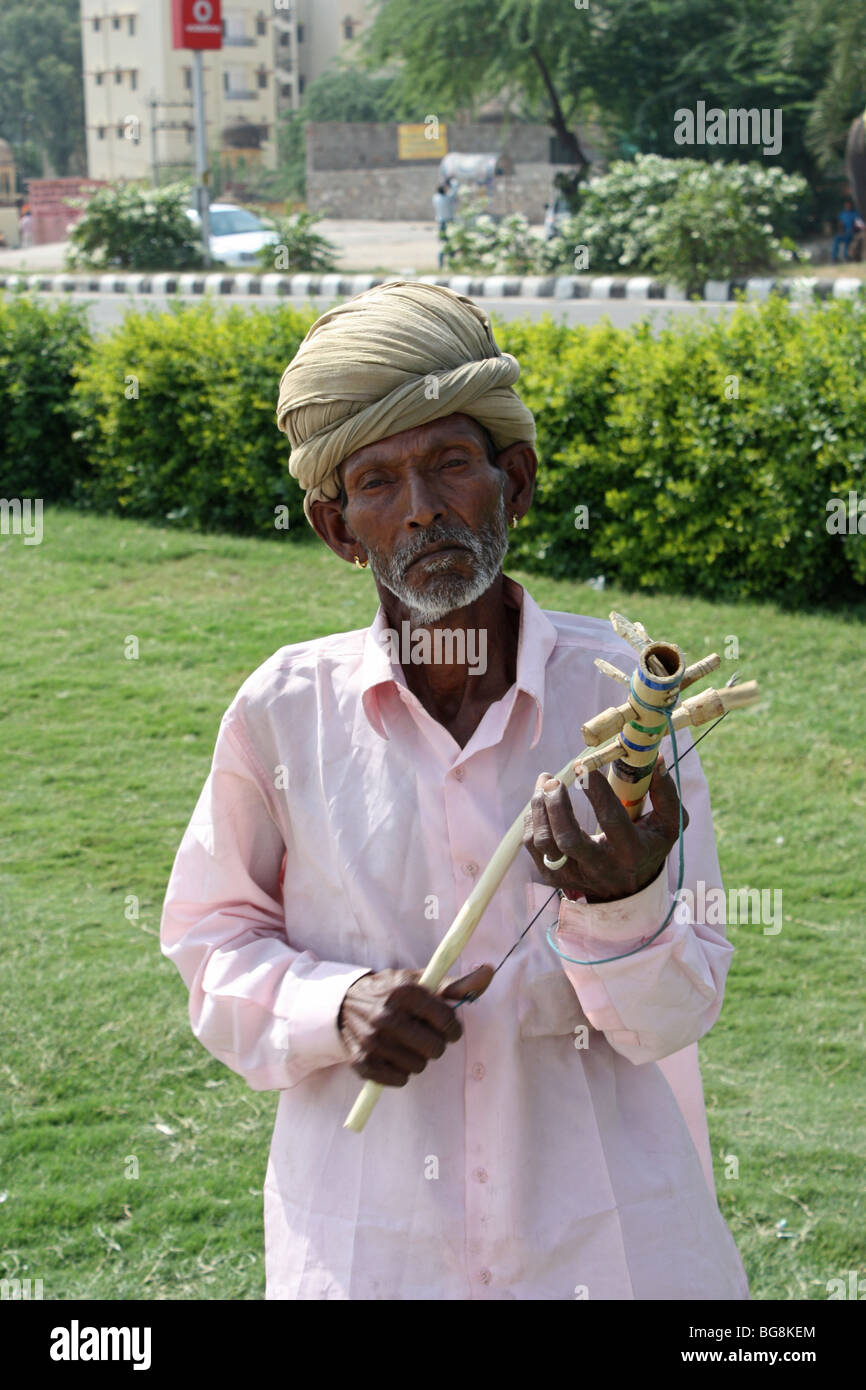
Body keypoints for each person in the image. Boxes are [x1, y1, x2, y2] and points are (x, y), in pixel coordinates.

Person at [160, 281, 750, 1301]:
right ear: (335, 527)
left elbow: (669, 1019)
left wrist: (620, 904)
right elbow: (210, 945)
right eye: (378, 482)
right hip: (373, 1253)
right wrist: (333, 1004)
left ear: (513, 481)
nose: (423, 508)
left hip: (608, 1249)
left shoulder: (620, 706)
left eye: (449, 465)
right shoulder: (281, 712)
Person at [432, 181, 456, 269]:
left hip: (441, 223)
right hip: (449, 223)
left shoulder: (436, 198)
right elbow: (454, 192)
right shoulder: (447, 199)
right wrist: (453, 182)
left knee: (442, 245)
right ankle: (452, 264)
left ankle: (441, 265)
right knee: (451, 245)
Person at [832, 197, 858, 262]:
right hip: (843, 232)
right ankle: (834, 257)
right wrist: (840, 231)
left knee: (847, 238)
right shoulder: (842, 214)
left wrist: (853, 229)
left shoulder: (854, 213)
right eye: (846, 204)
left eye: (848, 204)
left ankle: (846, 256)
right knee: (836, 239)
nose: (847, 206)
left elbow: (857, 223)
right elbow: (840, 224)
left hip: (851, 232)